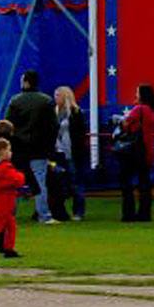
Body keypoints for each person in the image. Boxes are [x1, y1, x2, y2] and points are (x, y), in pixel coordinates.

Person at [4, 71, 58, 226]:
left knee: (13, 181)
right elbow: (53, 126)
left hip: (18, 148)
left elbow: (8, 125)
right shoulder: (46, 101)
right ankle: (44, 215)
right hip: (40, 148)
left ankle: (10, 214)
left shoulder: (15, 100)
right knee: (40, 181)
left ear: (26, 82)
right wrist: (49, 145)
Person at [116, 84, 154, 222]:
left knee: (126, 182)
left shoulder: (139, 109)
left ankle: (129, 213)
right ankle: (145, 213)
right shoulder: (151, 111)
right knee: (144, 183)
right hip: (146, 149)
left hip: (133, 150)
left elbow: (126, 124)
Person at [53, 87, 91, 222]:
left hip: (73, 153)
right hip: (58, 153)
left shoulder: (76, 113)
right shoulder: (55, 113)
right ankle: (60, 212)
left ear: (66, 97)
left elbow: (80, 135)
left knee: (76, 183)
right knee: (59, 183)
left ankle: (78, 212)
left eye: (58, 95)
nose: (55, 98)